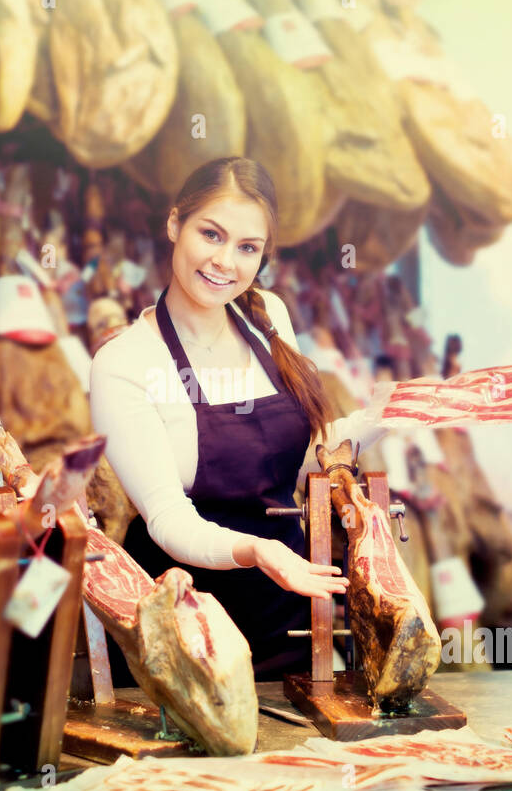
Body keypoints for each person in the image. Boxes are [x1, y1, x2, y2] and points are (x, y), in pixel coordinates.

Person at [89, 157, 388, 680]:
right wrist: (256, 550)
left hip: (289, 608)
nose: (224, 261)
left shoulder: (266, 315)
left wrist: (395, 413)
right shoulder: (125, 362)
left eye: (247, 247)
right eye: (211, 234)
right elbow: (166, 520)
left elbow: (303, 461)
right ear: (175, 224)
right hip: (185, 629)